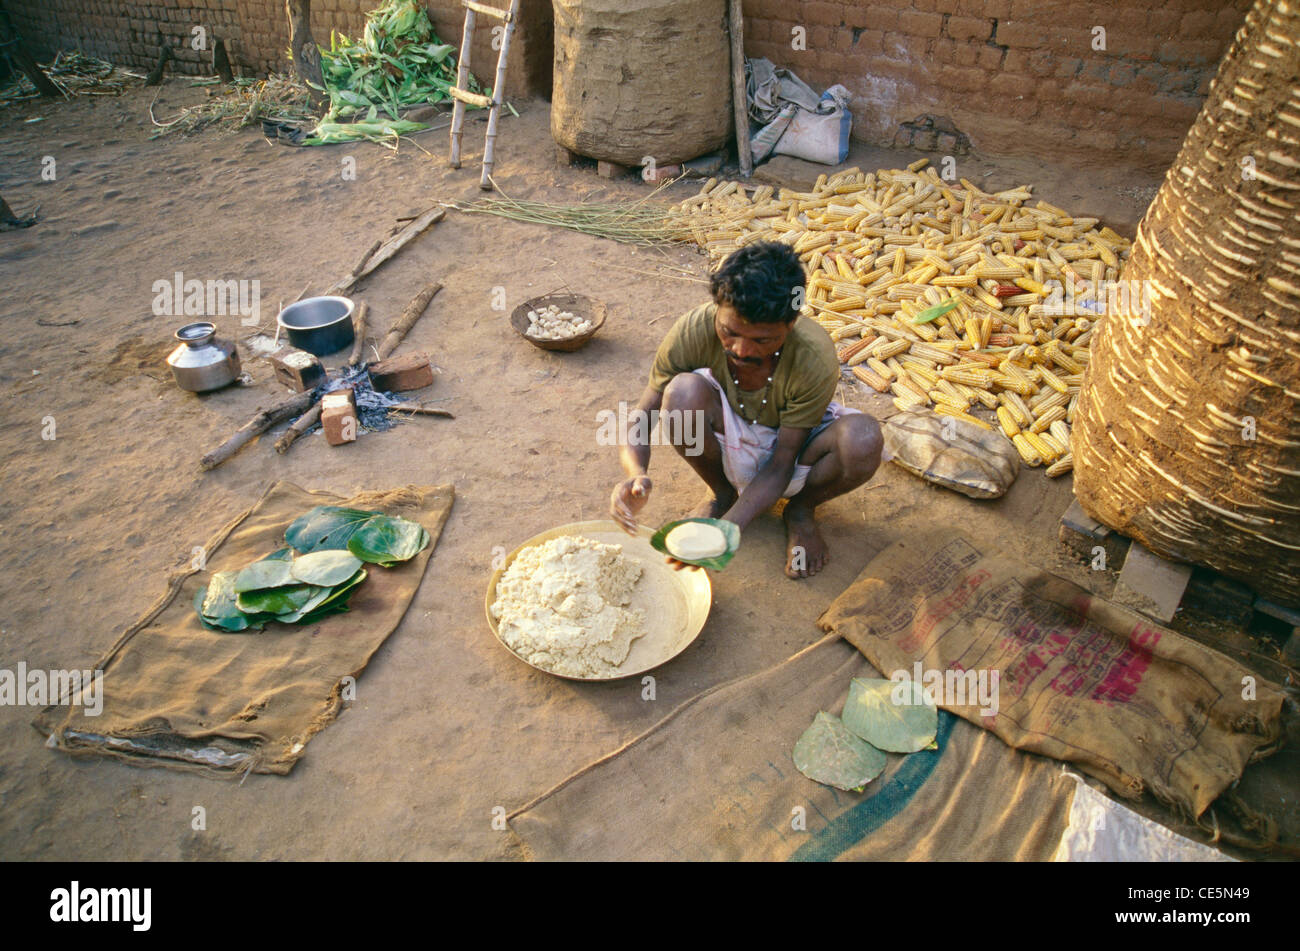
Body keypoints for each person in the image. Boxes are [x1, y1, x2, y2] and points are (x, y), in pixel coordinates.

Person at [609, 241, 883, 578]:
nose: (741, 349)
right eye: (729, 331)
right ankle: (721, 492)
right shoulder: (693, 329)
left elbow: (782, 462)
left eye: (763, 340)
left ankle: (800, 511)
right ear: (717, 308)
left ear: (792, 322)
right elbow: (644, 413)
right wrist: (635, 471)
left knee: (864, 438)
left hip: (797, 449)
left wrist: (728, 530)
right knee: (681, 393)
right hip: (728, 430)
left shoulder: (813, 357)